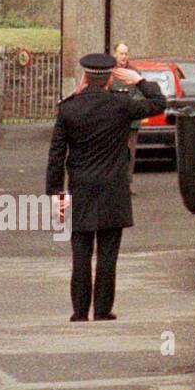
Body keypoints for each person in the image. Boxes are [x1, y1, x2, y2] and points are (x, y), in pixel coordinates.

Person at [46, 53, 166, 322]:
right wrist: (140, 80)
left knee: (80, 254)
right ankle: (102, 311)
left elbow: (56, 155)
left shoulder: (68, 108)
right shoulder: (122, 105)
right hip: (113, 188)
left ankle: (79, 312)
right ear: (111, 77)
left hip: (80, 189)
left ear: (85, 77)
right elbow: (159, 103)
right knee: (108, 255)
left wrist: (55, 194)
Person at [112, 41, 139, 194]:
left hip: (131, 121)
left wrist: (131, 108)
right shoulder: (111, 73)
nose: (124, 56)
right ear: (115, 54)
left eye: (126, 53)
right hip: (114, 121)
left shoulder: (135, 72)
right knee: (114, 153)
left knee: (130, 153)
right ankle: (115, 184)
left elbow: (140, 93)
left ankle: (127, 184)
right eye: (121, 53)